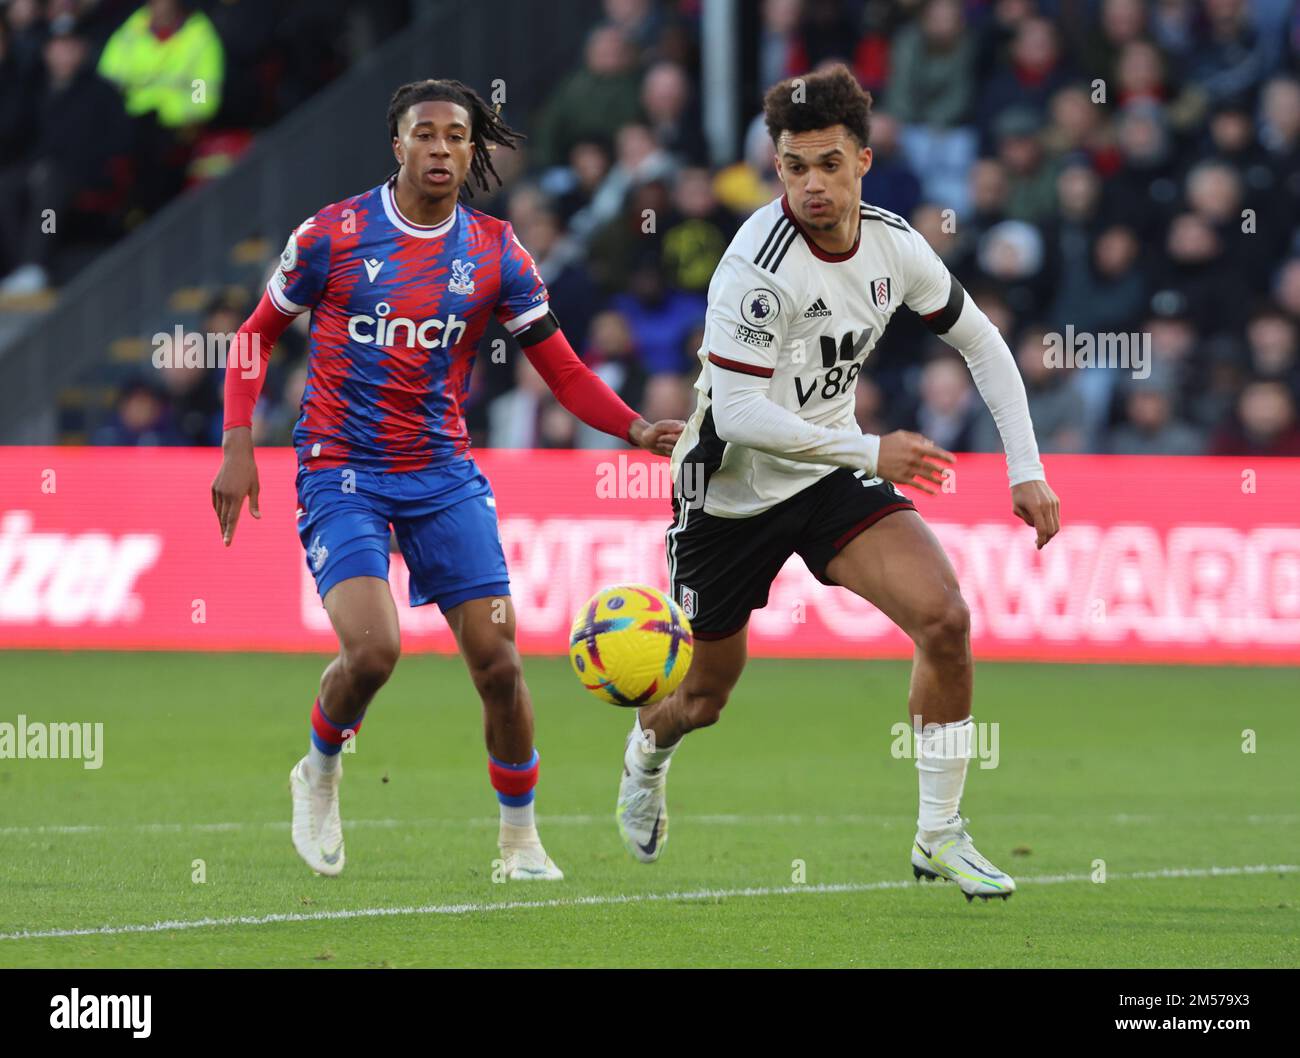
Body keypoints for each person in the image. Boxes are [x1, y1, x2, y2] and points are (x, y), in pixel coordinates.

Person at [210, 78, 682, 882]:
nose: (439, 148)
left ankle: (520, 843)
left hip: (441, 474)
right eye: (423, 134)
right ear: (397, 145)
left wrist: (635, 428)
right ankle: (319, 769)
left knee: (499, 661)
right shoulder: (333, 234)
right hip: (342, 469)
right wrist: (236, 443)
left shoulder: (495, 251)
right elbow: (254, 338)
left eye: (455, 136)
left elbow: (561, 369)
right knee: (373, 652)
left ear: (473, 150)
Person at [614, 65, 1060, 901]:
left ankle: (939, 836)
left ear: (861, 159)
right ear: (776, 166)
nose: (810, 184)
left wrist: (1026, 469)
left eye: (827, 163)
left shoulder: (894, 244)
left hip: (827, 479)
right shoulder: (756, 260)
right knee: (705, 697)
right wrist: (865, 449)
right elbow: (740, 411)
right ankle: (648, 752)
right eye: (793, 167)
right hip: (729, 495)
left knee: (946, 617)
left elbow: (983, 344)